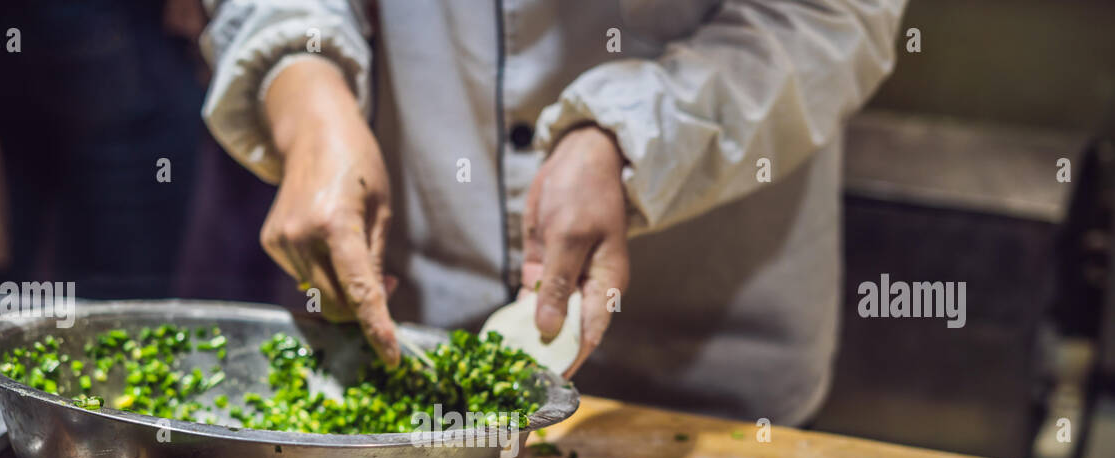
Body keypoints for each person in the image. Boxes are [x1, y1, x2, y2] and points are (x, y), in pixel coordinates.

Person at [200, 0, 906, 425]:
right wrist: (308, 93)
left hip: (704, 345)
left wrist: (632, 138)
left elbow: (830, 15)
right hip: (422, 315)